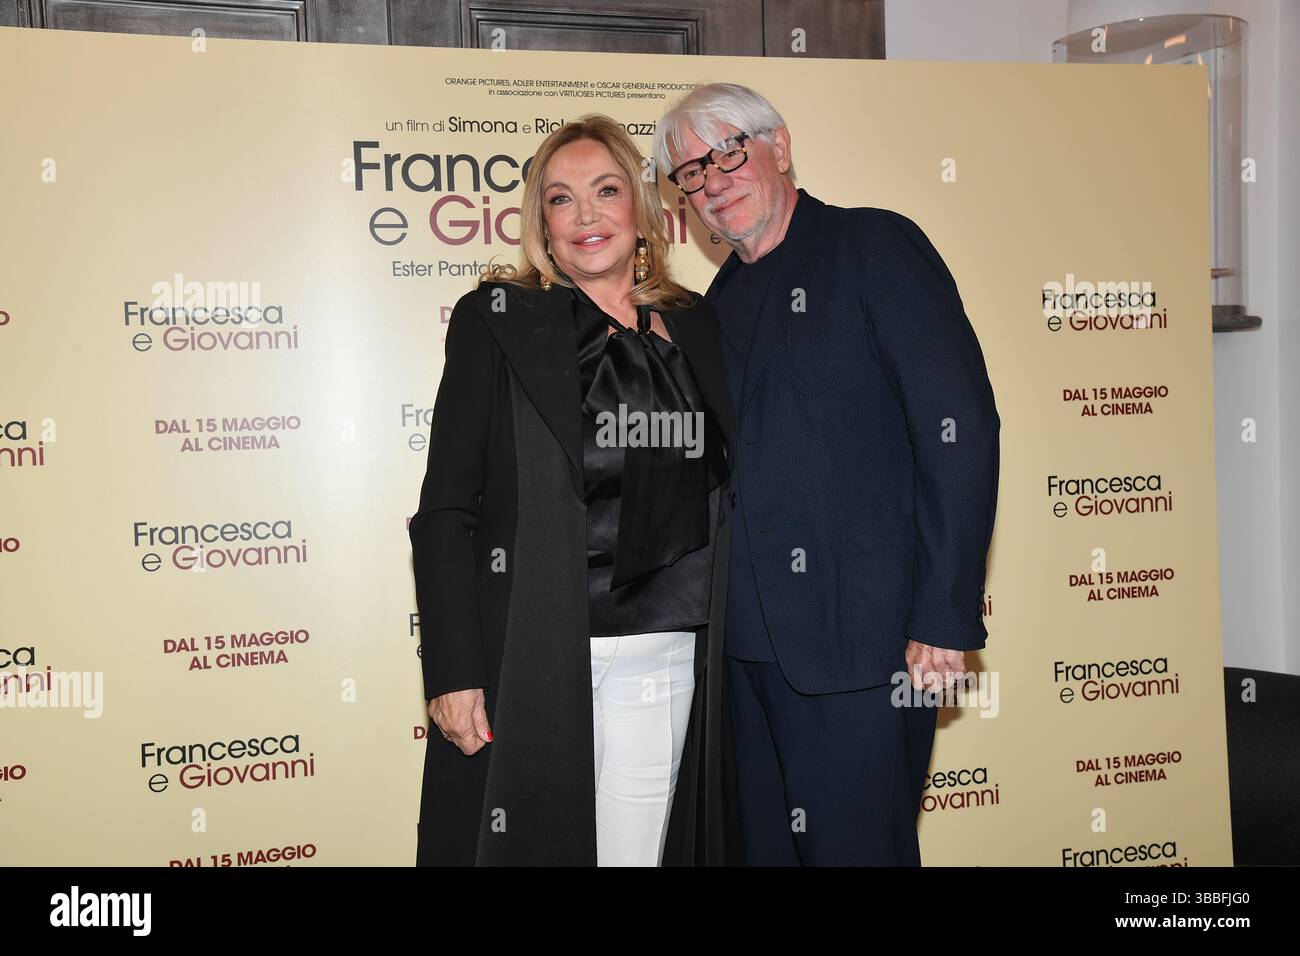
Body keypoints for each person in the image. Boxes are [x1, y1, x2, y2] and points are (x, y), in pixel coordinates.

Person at [654, 83, 1000, 865]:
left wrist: (942, 617)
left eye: (728, 153)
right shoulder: (717, 300)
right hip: (741, 654)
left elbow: (960, 428)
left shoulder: (873, 246)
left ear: (779, 146)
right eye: (691, 175)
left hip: (865, 646)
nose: (712, 182)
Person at [409, 114, 743, 866]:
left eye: (606, 190)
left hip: (665, 654)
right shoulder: (497, 321)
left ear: (643, 211)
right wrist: (454, 671)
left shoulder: (699, 328)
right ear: (544, 225)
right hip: (536, 653)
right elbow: (446, 512)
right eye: (561, 199)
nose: (586, 215)